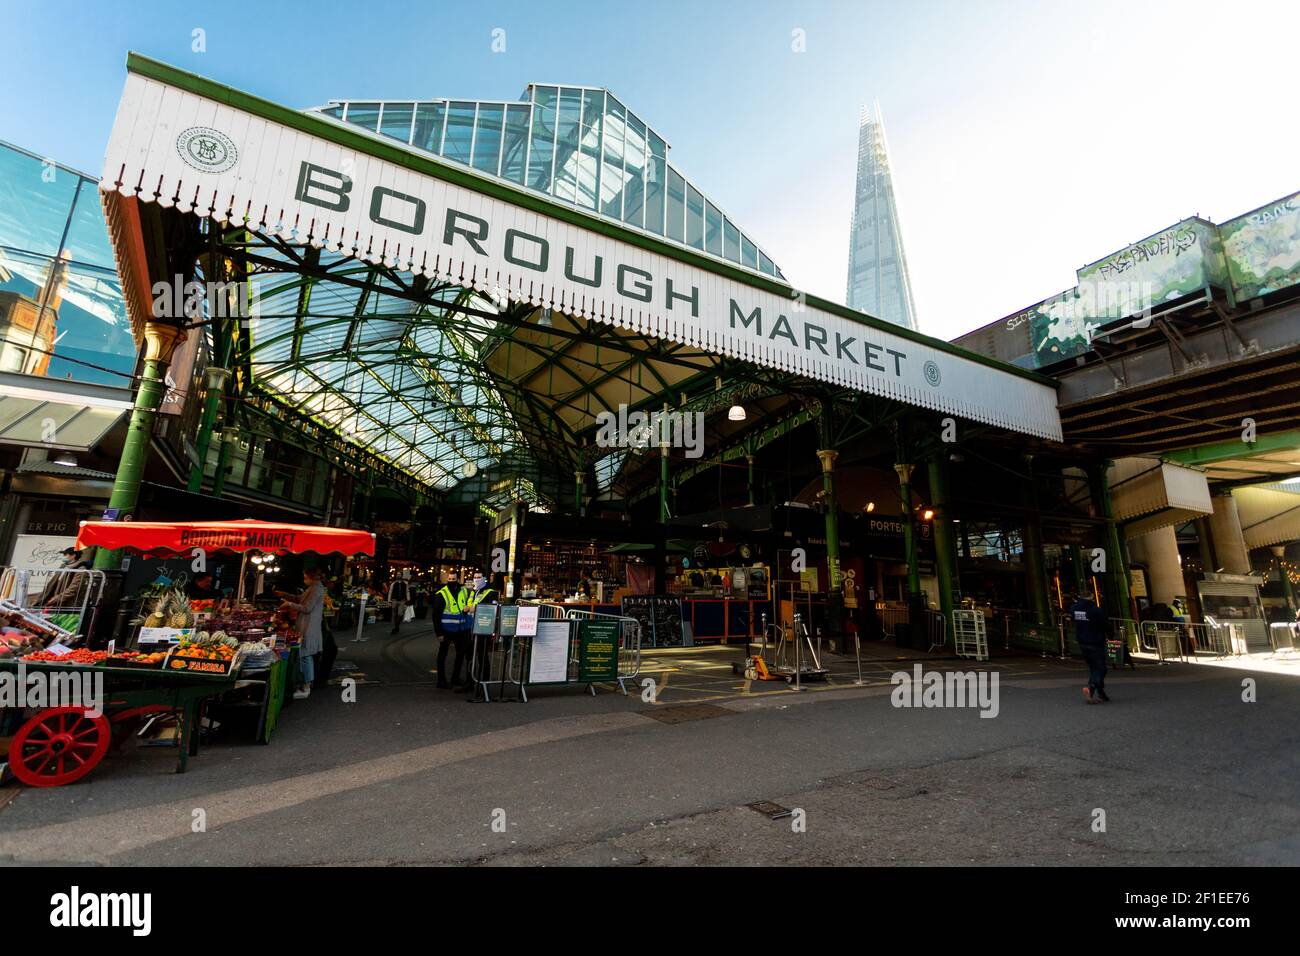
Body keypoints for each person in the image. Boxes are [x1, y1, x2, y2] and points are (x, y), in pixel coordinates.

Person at [281, 567, 326, 699]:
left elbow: (307, 608)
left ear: (311, 577)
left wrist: (289, 604)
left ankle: (306, 686)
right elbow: (300, 598)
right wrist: (284, 595)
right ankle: (305, 684)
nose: (304, 579)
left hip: (309, 627)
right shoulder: (313, 588)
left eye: (305, 577)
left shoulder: (316, 589)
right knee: (305, 655)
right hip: (306, 625)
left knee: (306, 656)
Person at [1068, 589, 1110, 703]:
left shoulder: (1073, 609)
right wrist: (1110, 635)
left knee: (1093, 667)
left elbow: (1072, 619)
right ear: (1091, 597)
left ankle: (1100, 693)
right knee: (1101, 668)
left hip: (1082, 641)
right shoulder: (1096, 611)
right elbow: (1105, 624)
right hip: (1095, 641)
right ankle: (1091, 687)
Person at [433, 571, 470, 689]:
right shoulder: (441, 593)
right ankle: (441, 680)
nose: (451, 581)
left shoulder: (464, 591)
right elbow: (436, 615)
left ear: (458, 579)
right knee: (442, 655)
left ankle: (455, 678)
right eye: (449, 579)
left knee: (461, 654)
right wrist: (439, 633)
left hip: (461, 629)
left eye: (453, 579)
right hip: (446, 630)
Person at [466, 571, 498, 691]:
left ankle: (483, 684)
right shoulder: (472, 591)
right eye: (474, 577)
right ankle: (469, 682)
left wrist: (477, 608)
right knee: (469, 656)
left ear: (484, 579)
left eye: (479, 577)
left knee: (482, 656)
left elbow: (492, 609)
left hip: (484, 628)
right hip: (470, 627)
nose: (476, 579)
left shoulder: (491, 592)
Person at [388, 571, 412, 635]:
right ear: (396, 576)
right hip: (394, 600)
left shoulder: (405, 583)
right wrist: (389, 600)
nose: (398, 575)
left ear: (402, 576)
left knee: (400, 614)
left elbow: (407, 591)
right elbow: (390, 592)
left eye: (400, 574)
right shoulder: (393, 583)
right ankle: (394, 628)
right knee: (394, 615)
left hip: (402, 601)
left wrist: (408, 599)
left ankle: (397, 625)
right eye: (397, 574)